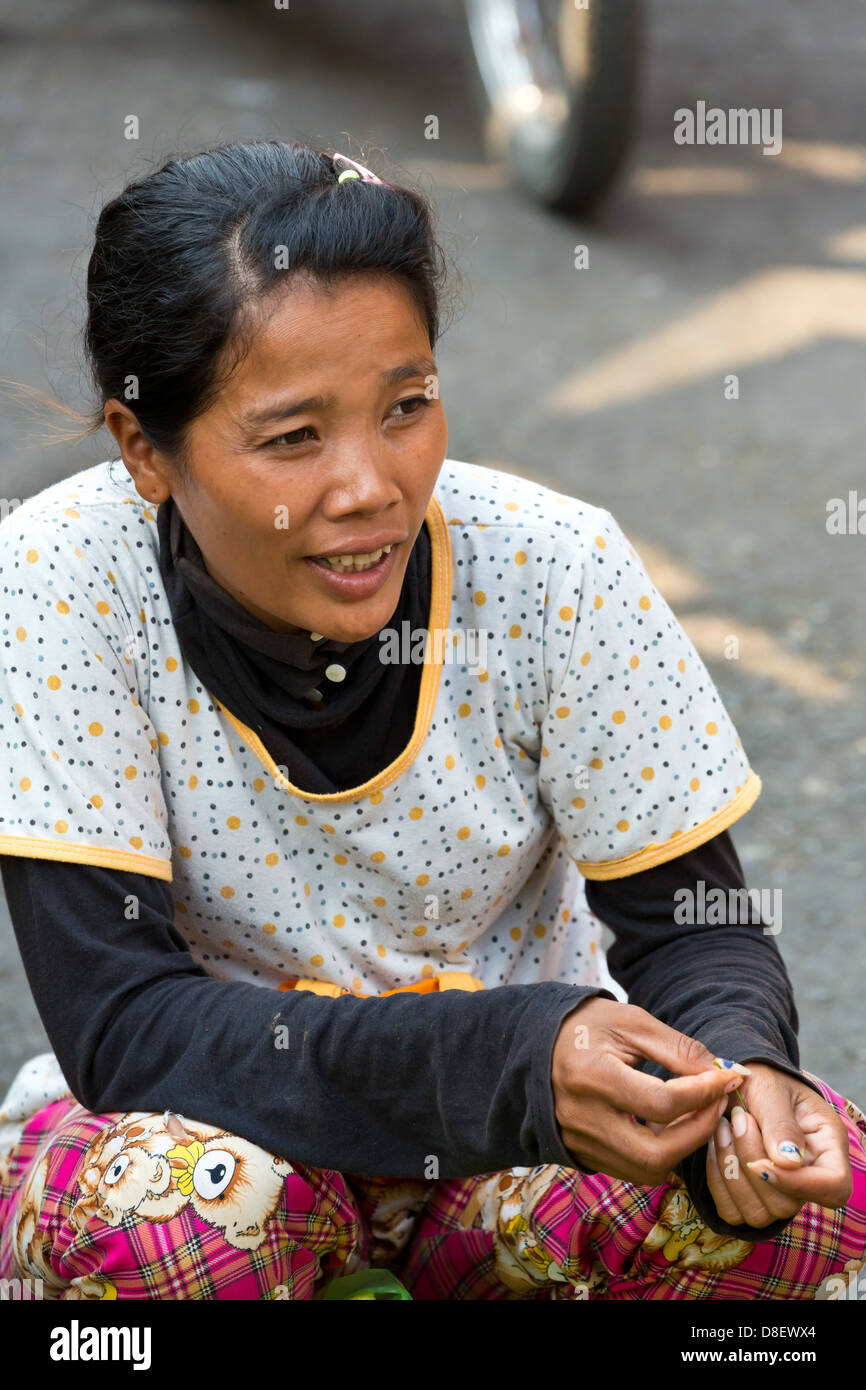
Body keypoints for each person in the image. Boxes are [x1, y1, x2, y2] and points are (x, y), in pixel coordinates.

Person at [0, 140, 863, 1301]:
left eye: (405, 405)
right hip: (219, 1141)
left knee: (814, 1192)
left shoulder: (554, 567)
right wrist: (508, 1058)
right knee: (170, 1229)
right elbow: (125, 1026)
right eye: (292, 436)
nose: (369, 485)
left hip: (512, 1161)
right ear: (144, 447)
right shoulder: (56, 583)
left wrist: (747, 1066)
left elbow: (688, 927)